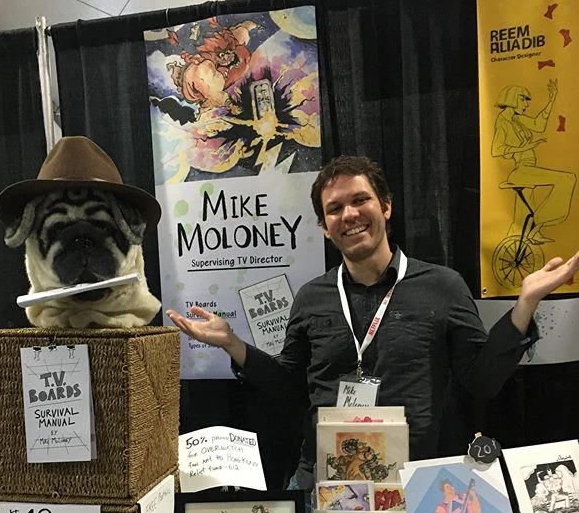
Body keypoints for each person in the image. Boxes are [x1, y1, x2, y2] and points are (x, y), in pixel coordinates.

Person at [166, 155, 579, 491]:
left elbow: (481, 382)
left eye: (360, 200)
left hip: (416, 484)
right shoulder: (312, 297)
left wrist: (525, 305)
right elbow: (289, 386)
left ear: (385, 206)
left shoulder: (443, 286)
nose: (349, 214)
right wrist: (233, 343)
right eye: (334, 209)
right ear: (324, 228)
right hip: (328, 483)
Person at [492, 80, 576, 243]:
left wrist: (551, 100)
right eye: (522, 99)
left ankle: (526, 231)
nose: (526, 104)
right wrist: (525, 147)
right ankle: (536, 221)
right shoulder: (503, 121)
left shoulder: (517, 119)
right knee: (567, 178)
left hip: (528, 170)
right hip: (521, 171)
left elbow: (539, 125)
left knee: (523, 211)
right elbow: (497, 150)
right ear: (512, 99)